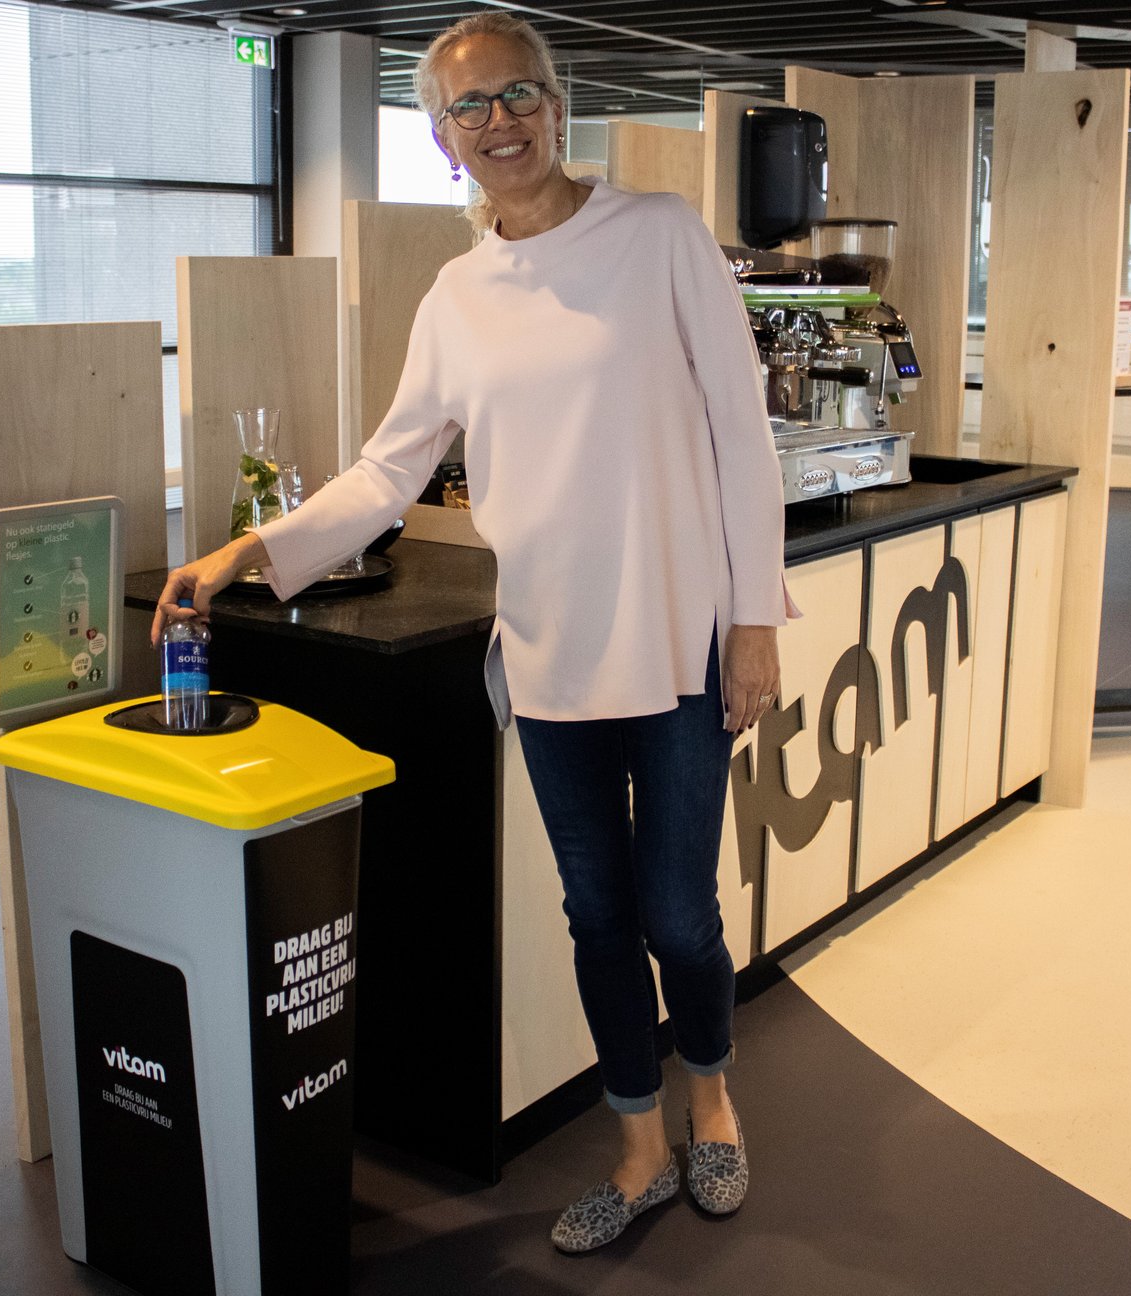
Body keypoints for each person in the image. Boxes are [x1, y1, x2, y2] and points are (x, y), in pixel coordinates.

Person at [152, 11, 796, 1255]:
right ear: (442, 141)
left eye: (519, 95)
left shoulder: (661, 238)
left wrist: (755, 620)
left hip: (677, 644)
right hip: (550, 655)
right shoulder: (456, 295)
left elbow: (743, 440)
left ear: (561, 104)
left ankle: (711, 1097)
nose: (499, 123)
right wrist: (250, 551)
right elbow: (389, 472)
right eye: (468, 108)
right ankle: (638, 1143)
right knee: (596, 920)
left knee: (677, 917)